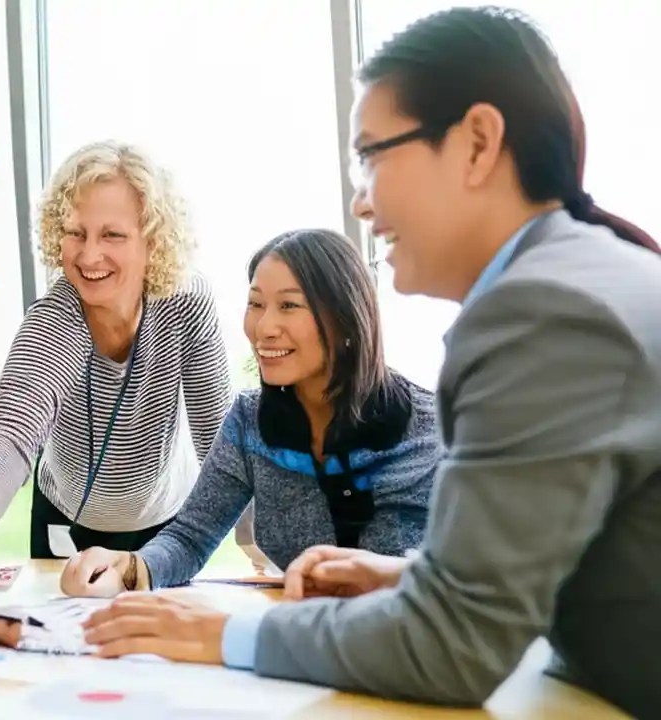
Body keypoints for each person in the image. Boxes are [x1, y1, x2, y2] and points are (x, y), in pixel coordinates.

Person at [79, 7, 661, 716]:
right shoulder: (586, 278)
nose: (361, 200)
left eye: (373, 156)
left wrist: (229, 632)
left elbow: (453, 646)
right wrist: (413, 576)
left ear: (477, 143)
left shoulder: (541, 313)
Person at [61, 229, 441, 597]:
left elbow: (477, 578)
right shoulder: (249, 420)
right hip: (302, 645)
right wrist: (128, 569)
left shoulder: (435, 431)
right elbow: (191, 538)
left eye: (289, 305)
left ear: (346, 318)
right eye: (256, 304)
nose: (264, 327)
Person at [0, 140, 233, 559]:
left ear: (153, 242)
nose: (90, 254)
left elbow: (217, 432)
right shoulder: (55, 317)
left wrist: (259, 532)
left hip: (164, 520)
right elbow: (9, 432)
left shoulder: (185, 301)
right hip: (64, 520)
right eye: (76, 233)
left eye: (112, 235)